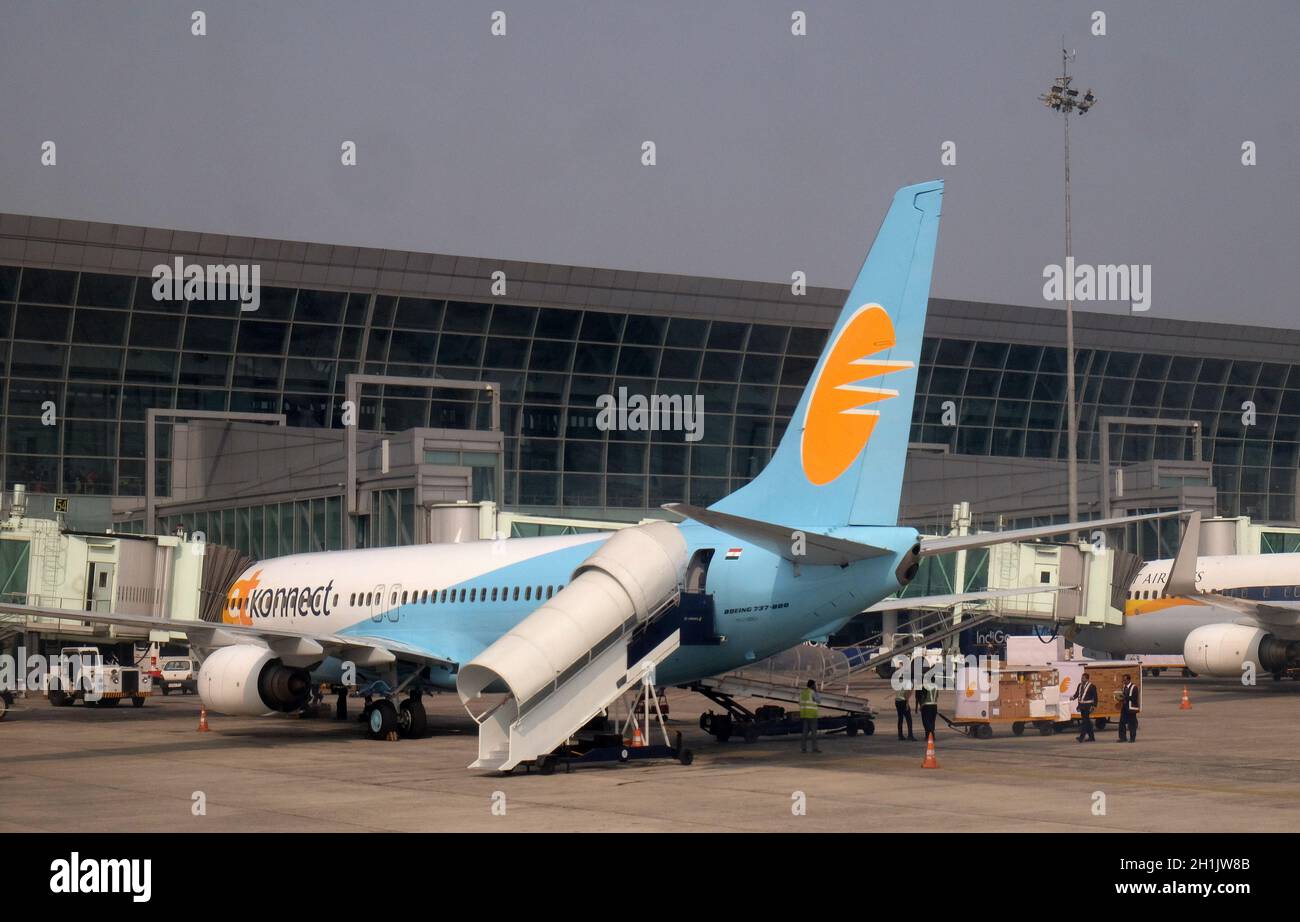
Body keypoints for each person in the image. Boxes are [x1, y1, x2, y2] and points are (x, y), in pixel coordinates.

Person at [1072, 671, 1099, 742]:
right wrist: (1073, 697)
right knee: (1087, 722)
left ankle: (1081, 737)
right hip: (1082, 706)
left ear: (1087, 679)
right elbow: (1077, 694)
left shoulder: (1092, 686)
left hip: (1088, 706)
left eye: (1083, 678)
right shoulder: (1080, 685)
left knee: (1085, 722)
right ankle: (1092, 737)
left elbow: (1095, 697)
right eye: (1081, 678)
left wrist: (1093, 706)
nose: (1082, 679)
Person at [799, 679, 821, 753]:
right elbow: (818, 700)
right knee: (814, 733)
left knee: (804, 733)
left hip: (804, 715)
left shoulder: (802, 692)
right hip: (812, 715)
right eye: (815, 685)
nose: (815, 686)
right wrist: (816, 692)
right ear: (812, 685)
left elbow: (799, 702)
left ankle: (803, 748)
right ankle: (814, 748)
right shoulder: (812, 692)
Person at [1118, 673, 1140, 742]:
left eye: (1125, 680)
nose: (1124, 681)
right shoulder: (1124, 687)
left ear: (1128, 680)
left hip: (1131, 709)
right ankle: (1122, 738)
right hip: (1124, 708)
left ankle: (1132, 738)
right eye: (1123, 680)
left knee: (1132, 724)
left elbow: (1134, 698)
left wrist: (1125, 697)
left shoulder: (1134, 687)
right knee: (1121, 723)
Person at [917, 675, 940, 741]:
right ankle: (930, 735)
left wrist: (921, 706)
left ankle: (930, 734)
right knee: (932, 721)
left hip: (926, 705)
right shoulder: (936, 686)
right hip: (934, 705)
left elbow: (923, 697)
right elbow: (937, 696)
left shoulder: (925, 686)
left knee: (926, 721)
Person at [895, 676, 916, 741]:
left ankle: (900, 735)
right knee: (909, 719)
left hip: (897, 701)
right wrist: (907, 704)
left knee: (900, 718)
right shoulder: (909, 683)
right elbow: (906, 694)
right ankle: (910, 735)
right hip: (903, 701)